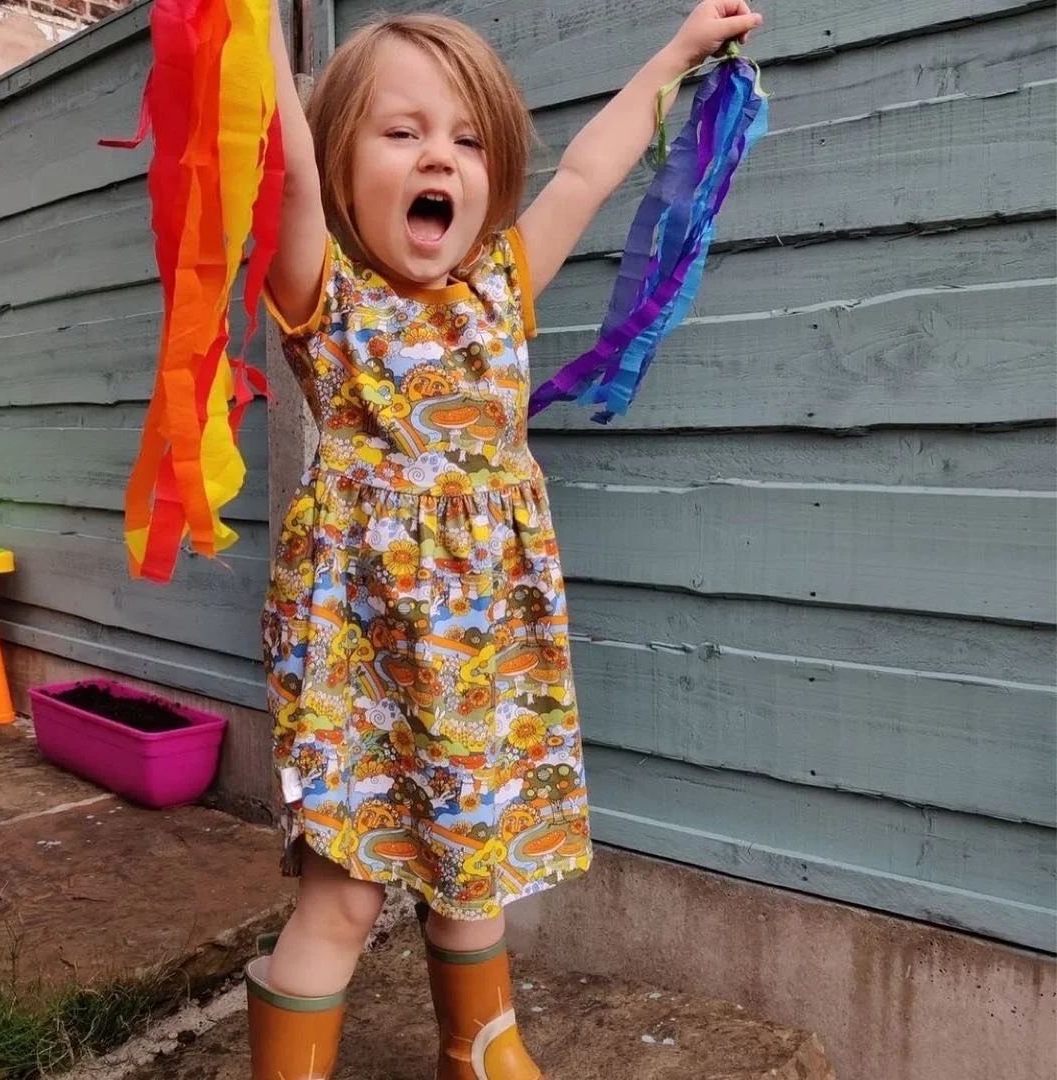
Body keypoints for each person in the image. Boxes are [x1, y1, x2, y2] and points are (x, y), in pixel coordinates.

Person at [247, 2, 763, 1077]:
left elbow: (585, 174)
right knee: (345, 891)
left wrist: (674, 55)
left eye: (468, 138)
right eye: (401, 132)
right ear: (342, 164)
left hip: (485, 642)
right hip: (356, 649)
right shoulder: (324, 296)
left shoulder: (500, 287)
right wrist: (245, 22)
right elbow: (287, 168)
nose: (441, 153)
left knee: (474, 861)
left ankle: (480, 1051)